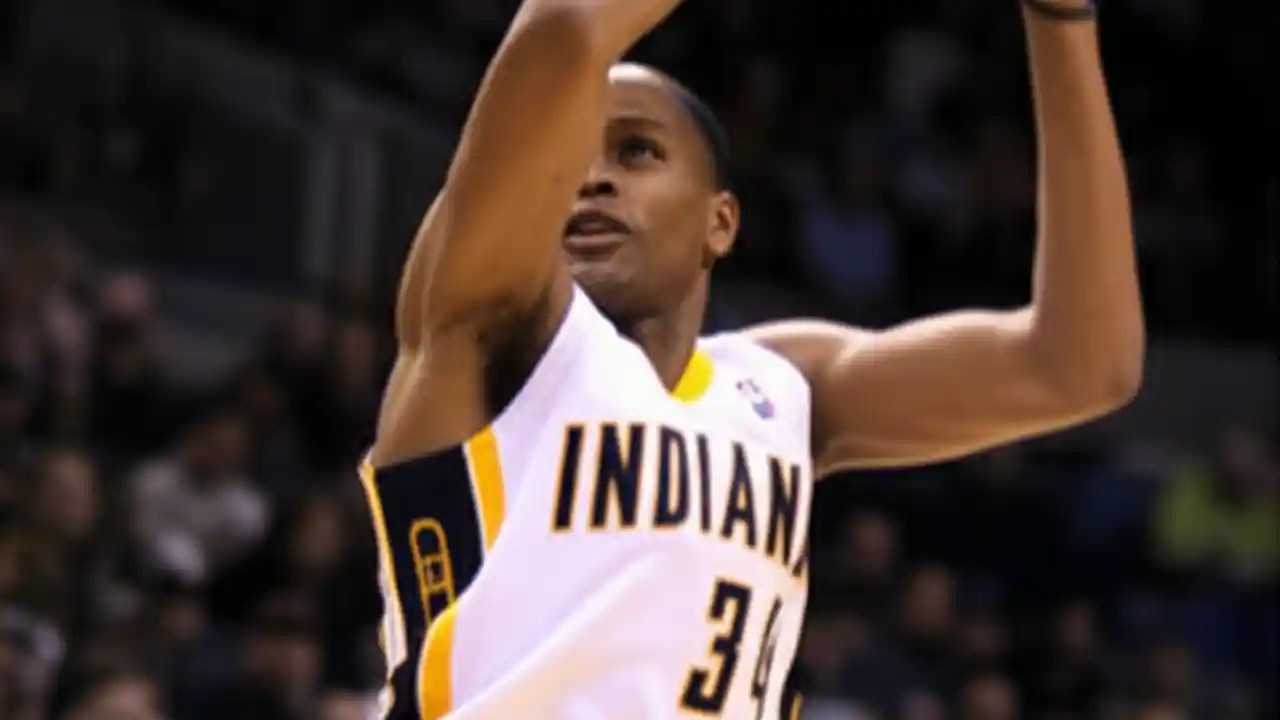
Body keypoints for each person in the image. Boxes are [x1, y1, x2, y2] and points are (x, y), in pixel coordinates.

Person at [362, 0, 1143, 717]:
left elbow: (1080, 365)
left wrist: (1061, 20)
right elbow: (564, 30)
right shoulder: (489, 332)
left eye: (636, 150)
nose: (590, 179)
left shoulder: (781, 387)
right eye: (569, 160)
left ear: (720, 223)